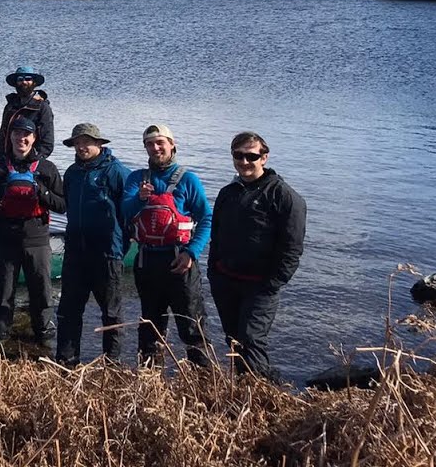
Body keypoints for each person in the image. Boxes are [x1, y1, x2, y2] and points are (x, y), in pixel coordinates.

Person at [208, 132, 306, 382]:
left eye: (250, 156)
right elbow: (216, 236)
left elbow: (292, 248)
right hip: (226, 281)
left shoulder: (284, 196)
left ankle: (264, 394)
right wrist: (214, 272)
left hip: (260, 286)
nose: (244, 161)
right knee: (233, 341)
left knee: (251, 341)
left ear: (264, 157)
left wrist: (272, 284)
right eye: (238, 155)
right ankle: (242, 392)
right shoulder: (228, 193)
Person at [122, 124, 213, 368]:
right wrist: (140, 199)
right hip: (147, 262)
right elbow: (125, 212)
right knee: (150, 327)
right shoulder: (136, 179)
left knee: (192, 327)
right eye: (150, 144)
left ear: (172, 144)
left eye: (160, 142)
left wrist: (191, 253)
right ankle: (150, 382)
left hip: (180, 261)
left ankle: (204, 383)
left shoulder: (188, 179)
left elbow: (206, 218)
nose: (155, 148)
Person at [0, 116, 65, 346]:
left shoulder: (46, 168)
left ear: (34, 139)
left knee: (42, 292)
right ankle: (0, 336)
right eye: (17, 134)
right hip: (5, 238)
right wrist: (3, 188)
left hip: (37, 239)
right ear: (11, 137)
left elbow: (63, 205)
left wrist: (41, 191)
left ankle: (43, 335)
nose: (21, 139)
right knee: (3, 293)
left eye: (26, 135)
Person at [55, 124, 132, 366]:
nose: (81, 146)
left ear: (100, 144)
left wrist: (120, 246)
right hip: (76, 252)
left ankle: (113, 364)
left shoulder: (117, 171)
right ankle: (67, 362)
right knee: (68, 311)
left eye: (86, 142)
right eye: (77, 142)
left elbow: (130, 213)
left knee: (111, 313)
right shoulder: (71, 173)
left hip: (107, 253)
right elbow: (66, 203)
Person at [0, 66, 54, 162]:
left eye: (28, 79)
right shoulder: (10, 106)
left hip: (32, 161)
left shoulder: (42, 108)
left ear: (34, 82)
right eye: (20, 79)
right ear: (15, 83)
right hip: (8, 160)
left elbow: (47, 142)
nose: (24, 82)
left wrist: (34, 161)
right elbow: (2, 137)